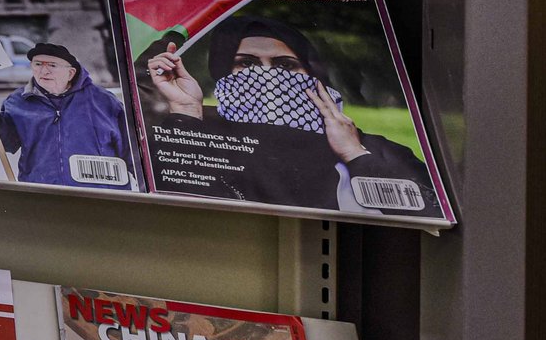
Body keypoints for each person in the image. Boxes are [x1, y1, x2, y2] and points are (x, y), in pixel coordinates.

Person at [140, 19, 431, 214]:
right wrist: (186, 112)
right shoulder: (201, 136)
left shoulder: (375, 148)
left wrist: (356, 155)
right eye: (247, 64)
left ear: (313, 75)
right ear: (223, 74)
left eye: (285, 65)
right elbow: (173, 203)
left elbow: (426, 208)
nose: (267, 76)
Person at [0, 41, 133, 188]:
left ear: (70, 73)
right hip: (42, 192)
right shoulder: (17, 101)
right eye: (38, 64)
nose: (44, 71)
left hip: (100, 195)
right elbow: (8, 143)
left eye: (52, 65)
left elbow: (131, 150)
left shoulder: (103, 101)